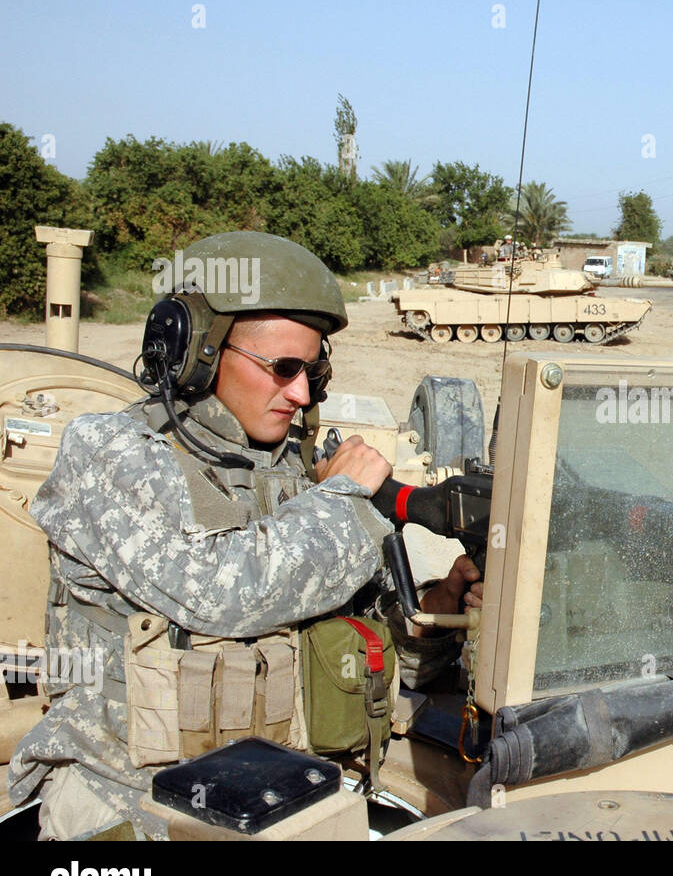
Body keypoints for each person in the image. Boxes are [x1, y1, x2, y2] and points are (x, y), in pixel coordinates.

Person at [7, 231, 480, 840]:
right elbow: (219, 593)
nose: (303, 393)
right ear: (194, 350)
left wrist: (432, 615)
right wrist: (346, 502)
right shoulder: (111, 455)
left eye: (314, 370)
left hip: (297, 795)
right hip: (134, 803)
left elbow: (363, 659)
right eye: (283, 368)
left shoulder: (296, 470)